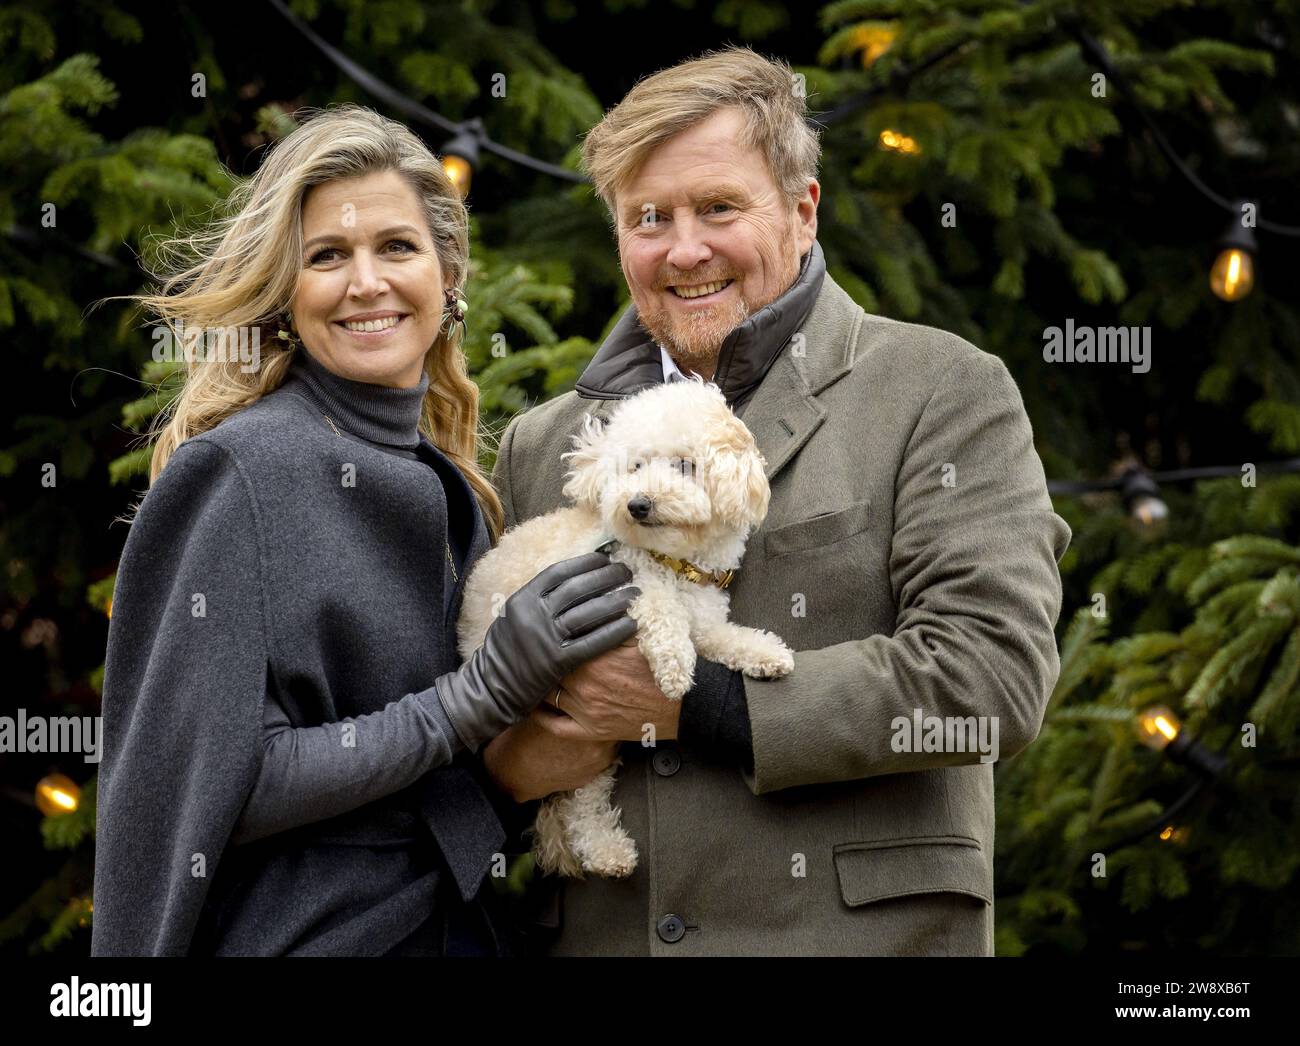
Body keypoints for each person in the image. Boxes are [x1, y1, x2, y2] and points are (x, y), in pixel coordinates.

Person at [483, 46, 1073, 955]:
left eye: (719, 207)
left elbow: (990, 678)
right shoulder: (543, 444)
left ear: (802, 211)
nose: (684, 249)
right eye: (649, 218)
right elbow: (486, 711)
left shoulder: (939, 388)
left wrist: (699, 705)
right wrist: (511, 764)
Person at [90, 105, 640, 956]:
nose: (366, 282)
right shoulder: (238, 475)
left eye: (396, 246)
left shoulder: (455, 488)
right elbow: (217, 788)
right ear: (285, 292)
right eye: (326, 256)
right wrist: (478, 698)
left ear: (448, 273)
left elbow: (417, 795)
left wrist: (509, 766)